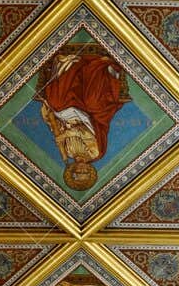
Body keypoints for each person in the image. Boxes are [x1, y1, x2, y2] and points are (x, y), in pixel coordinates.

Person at [36, 41, 129, 189]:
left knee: (55, 100)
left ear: (72, 170)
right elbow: (84, 132)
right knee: (92, 100)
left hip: (67, 117)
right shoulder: (95, 153)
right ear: (89, 170)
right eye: (84, 172)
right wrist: (64, 135)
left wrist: (52, 120)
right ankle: (101, 68)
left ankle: (68, 66)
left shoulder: (68, 152)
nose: (81, 170)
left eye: (77, 172)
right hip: (91, 118)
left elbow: (58, 128)